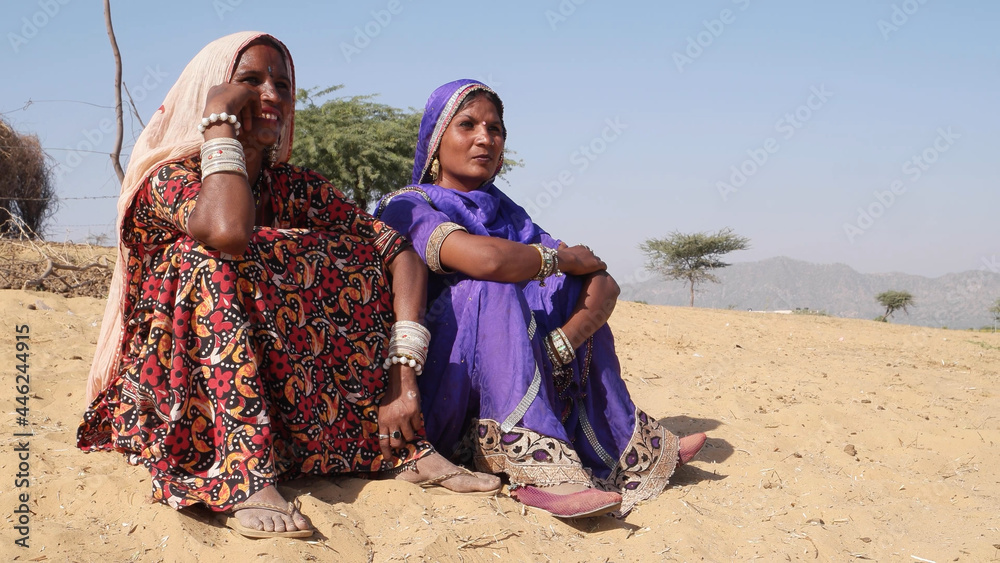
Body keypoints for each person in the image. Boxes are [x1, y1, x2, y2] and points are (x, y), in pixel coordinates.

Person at [77, 35, 499, 540]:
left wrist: (402, 377)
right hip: (176, 391)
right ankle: (241, 474)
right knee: (209, 257)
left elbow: (399, 253)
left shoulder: (295, 187)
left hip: (277, 390)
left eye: (281, 83)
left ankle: (397, 447)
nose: (271, 93)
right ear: (211, 94)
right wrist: (218, 123)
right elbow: (228, 231)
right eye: (249, 81)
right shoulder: (168, 179)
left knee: (356, 257)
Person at [375, 79, 707, 518]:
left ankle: (626, 448)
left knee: (565, 288)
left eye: (495, 130)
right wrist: (560, 259)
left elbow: (601, 282)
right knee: (491, 286)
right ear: (436, 141)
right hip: (435, 381)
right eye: (467, 125)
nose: (484, 138)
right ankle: (540, 472)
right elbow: (488, 262)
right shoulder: (409, 205)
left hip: (513, 364)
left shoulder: (507, 213)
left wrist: (560, 341)